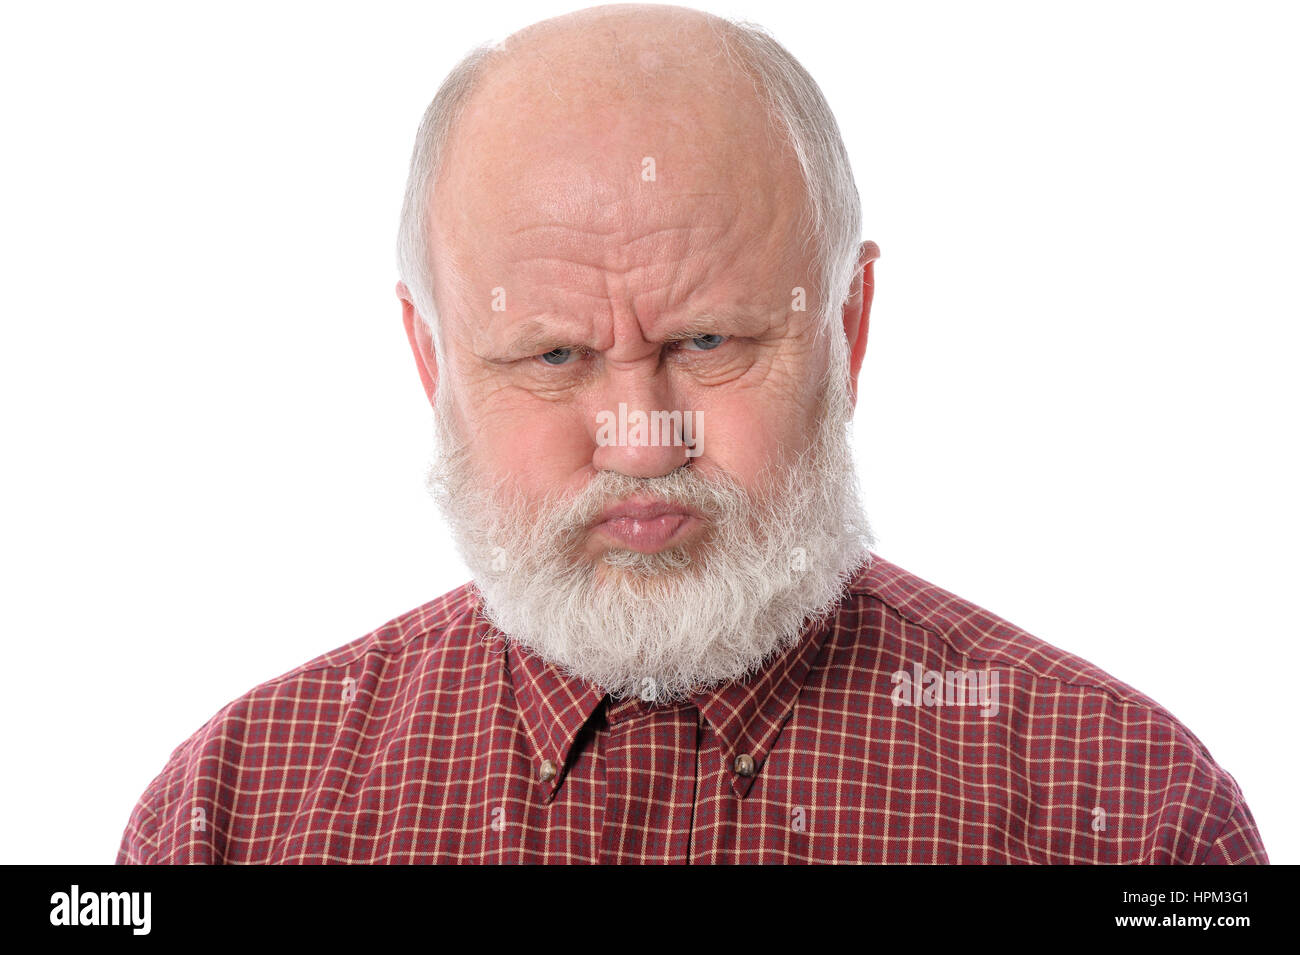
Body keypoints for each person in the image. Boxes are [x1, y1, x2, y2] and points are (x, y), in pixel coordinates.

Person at [117, 4, 1266, 864]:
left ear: (849, 329)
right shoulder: (232, 813)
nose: (639, 437)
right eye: (554, 355)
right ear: (430, 359)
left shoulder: (1135, 815)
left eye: (709, 342)